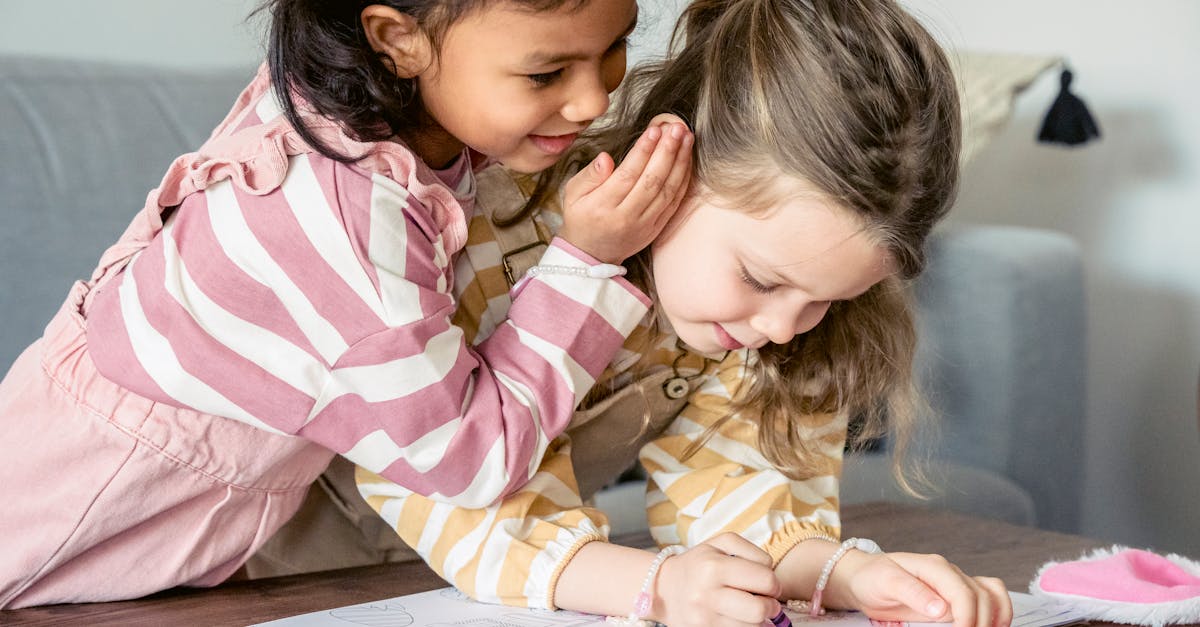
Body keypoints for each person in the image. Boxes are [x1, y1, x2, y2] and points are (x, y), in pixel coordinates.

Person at [0, 0, 695, 609]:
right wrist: (587, 260)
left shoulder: (358, 103)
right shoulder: (345, 213)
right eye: (546, 74)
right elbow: (473, 460)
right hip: (86, 502)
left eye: (615, 46)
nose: (593, 102)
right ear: (396, 40)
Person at [351, 0, 1015, 626]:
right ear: (675, 159)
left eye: (826, 299)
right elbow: (454, 489)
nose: (785, 324)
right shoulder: (491, 237)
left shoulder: (752, 324)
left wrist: (851, 575)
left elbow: (737, 491)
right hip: (306, 573)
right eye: (761, 278)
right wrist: (658, 585)